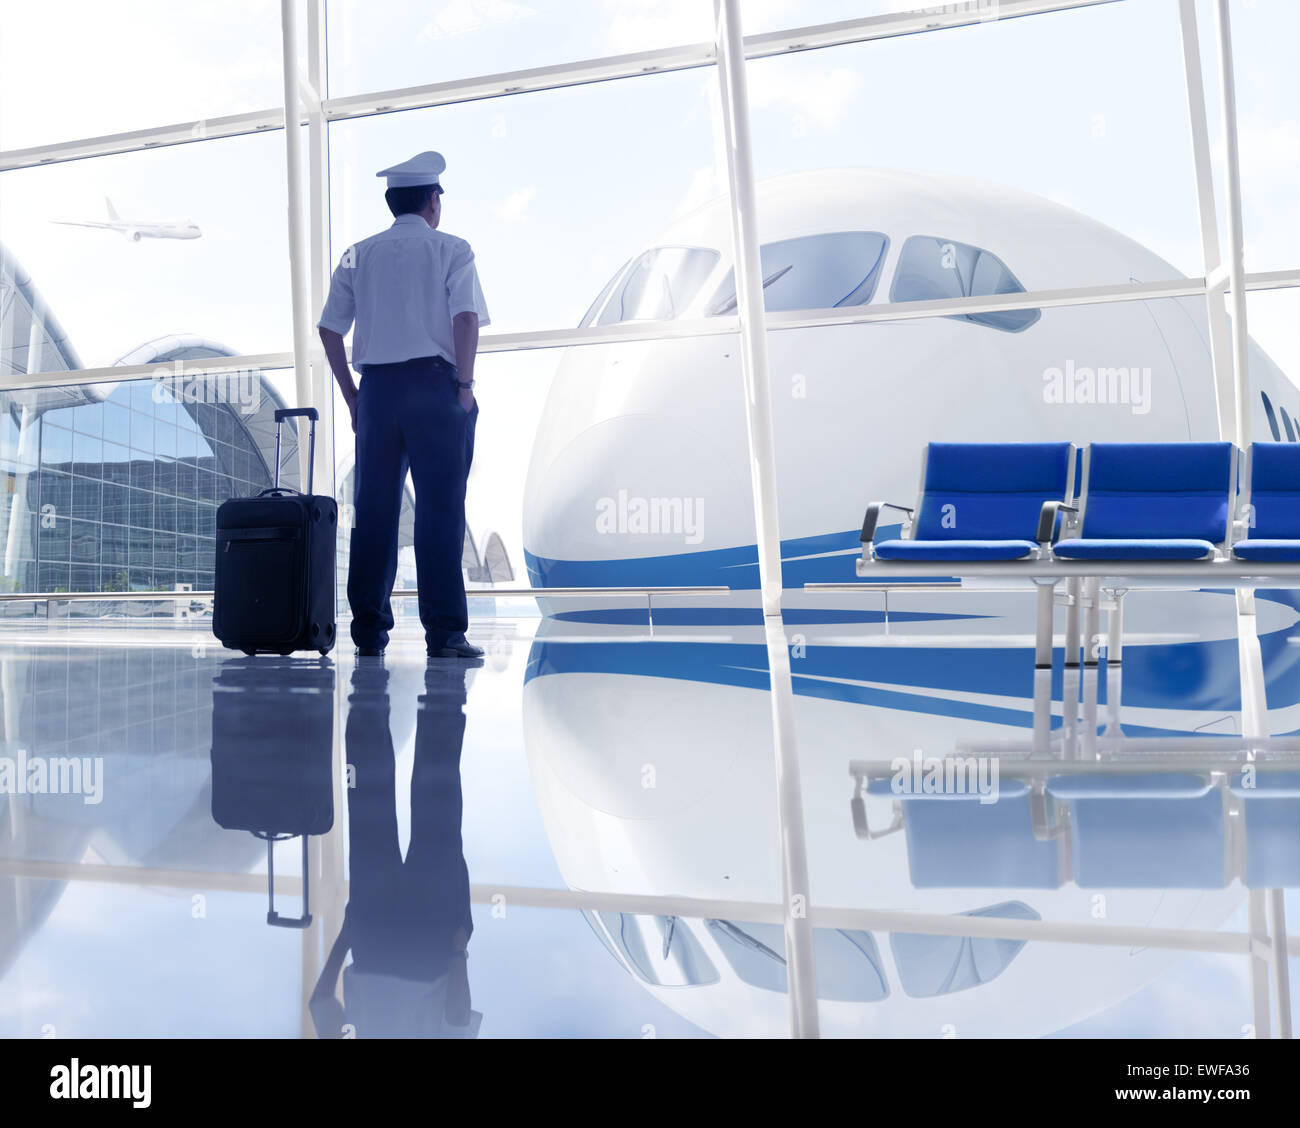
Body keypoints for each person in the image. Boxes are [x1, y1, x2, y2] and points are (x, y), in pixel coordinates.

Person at [317, 150, 489, 658]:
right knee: (440, 511)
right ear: (433, 202)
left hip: (378, 394)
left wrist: (352, 396)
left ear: (393, 203)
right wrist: (464, 385)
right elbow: (465, 320)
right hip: (435, 388)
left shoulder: (358, 253)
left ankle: (369, 633)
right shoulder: (452, 249)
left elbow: (329, 330)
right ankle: (445, 635)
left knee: (374, 512)